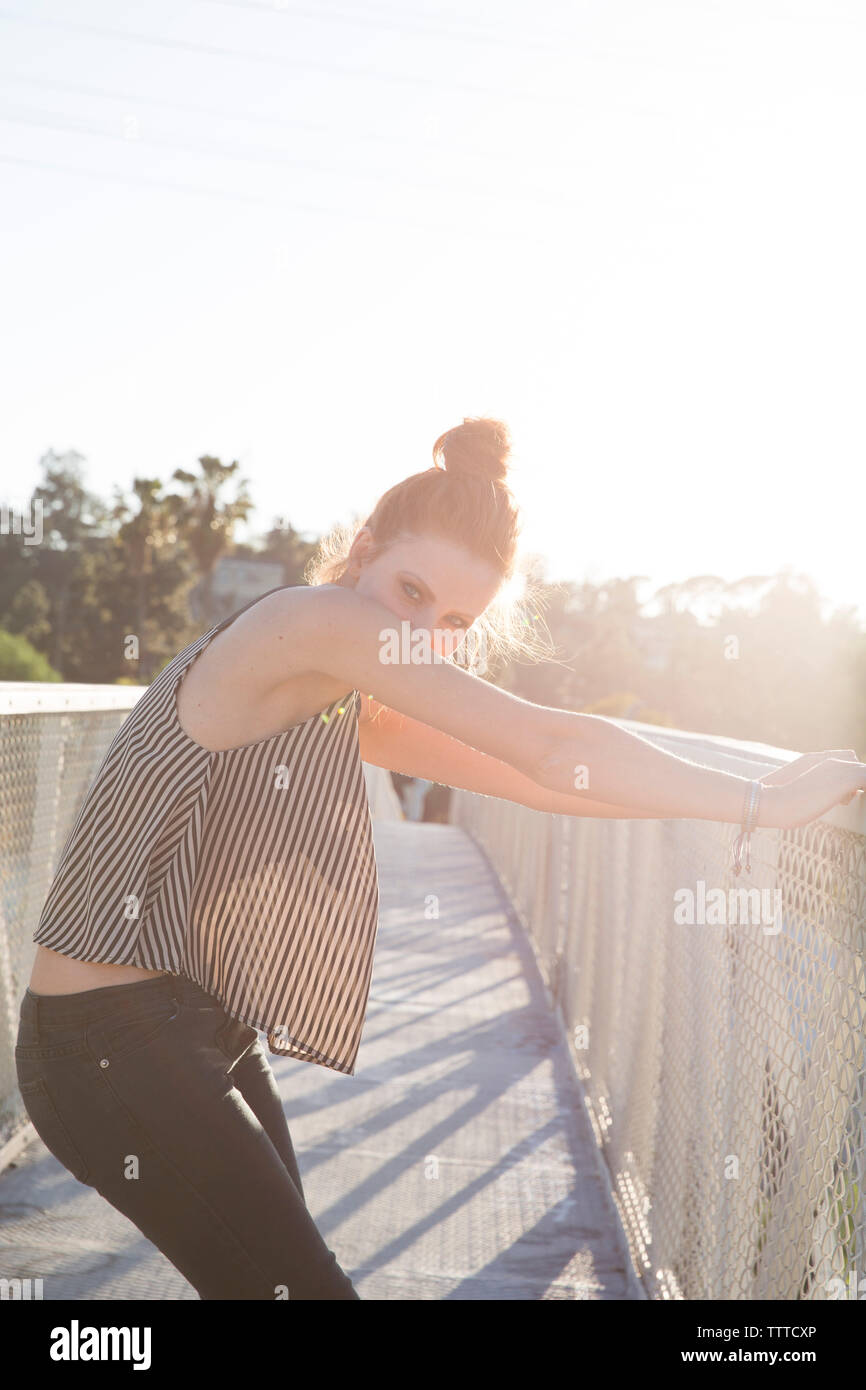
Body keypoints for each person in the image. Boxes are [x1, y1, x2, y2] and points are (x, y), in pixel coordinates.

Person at [15, 417, 866, 1301]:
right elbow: (547, 743)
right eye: (410, 589)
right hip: (107, 1046)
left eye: (455, 620)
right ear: (363, 550)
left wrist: (750, 790)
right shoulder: (324, 621)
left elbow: (545, 778)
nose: (421, 632)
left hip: (190, 1026)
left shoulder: (346, 669)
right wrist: (763, 804)